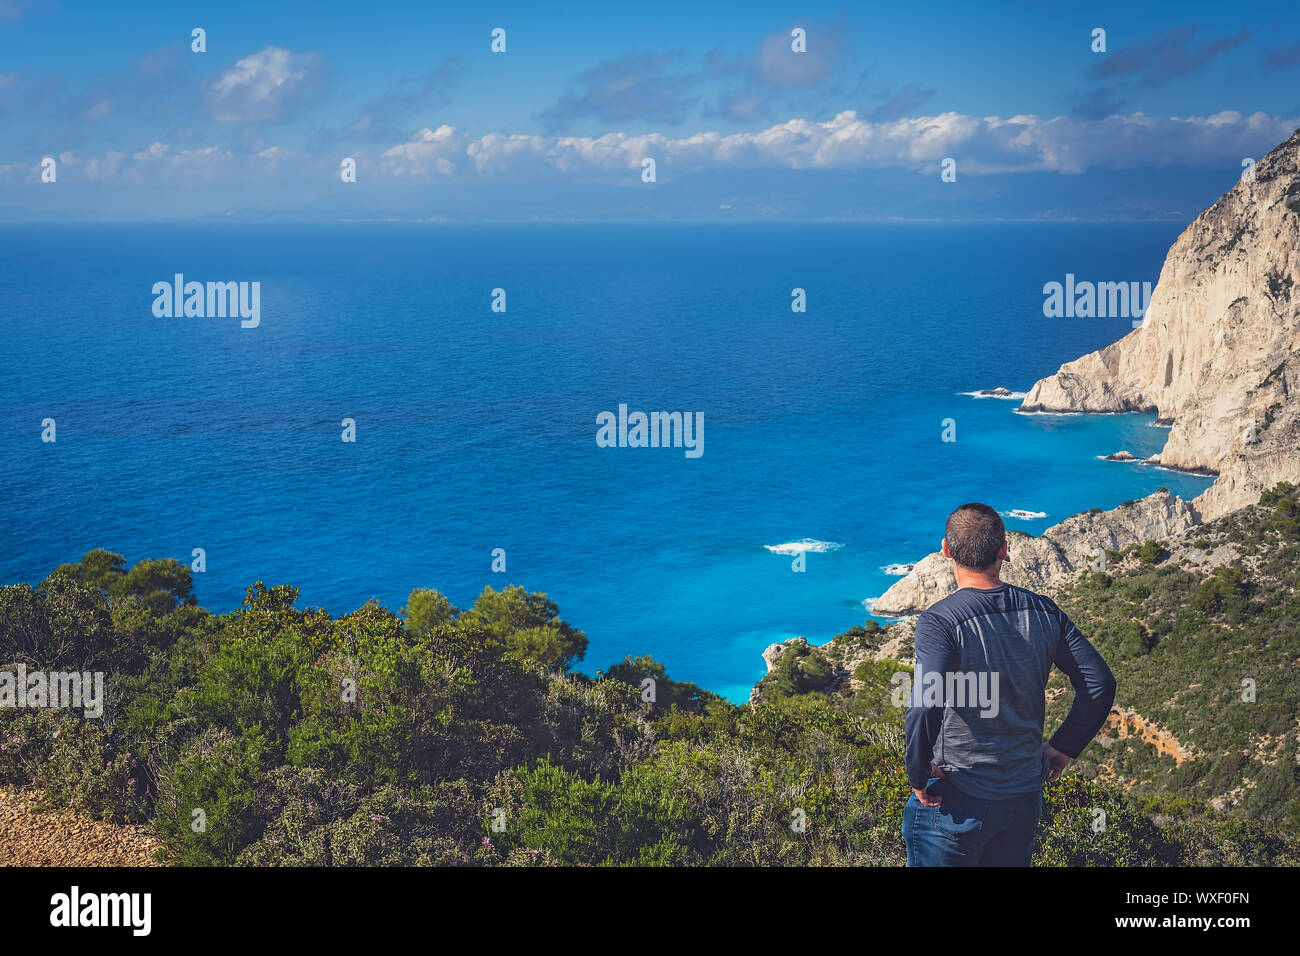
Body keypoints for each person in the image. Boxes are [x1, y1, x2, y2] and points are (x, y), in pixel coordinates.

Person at [901, 502, 1116, 866]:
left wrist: (918, 771)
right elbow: (1099, 683)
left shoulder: (940, 622)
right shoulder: (1046, 612)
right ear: (1003, 550)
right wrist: (1064, 747)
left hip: (955, 797)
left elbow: (925, 702)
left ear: (946, 550)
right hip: (1021, 800)